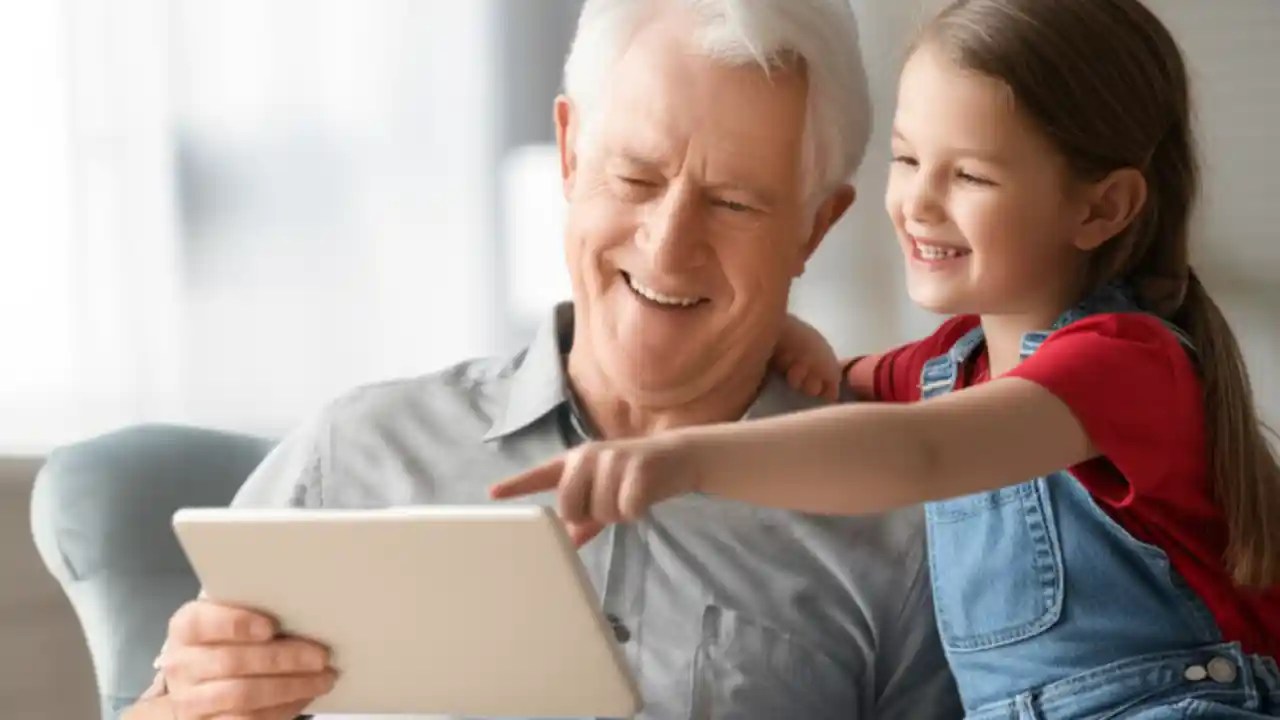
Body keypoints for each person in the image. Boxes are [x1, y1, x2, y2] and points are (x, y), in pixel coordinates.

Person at [123, 1, 963, 719]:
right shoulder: (355, 451)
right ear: (569, 154)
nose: (668, 250)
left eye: (734, 202)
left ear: (814, 228)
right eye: (635, 179)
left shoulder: (896, 531)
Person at [491, 0, 1280, 717]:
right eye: (906, 160)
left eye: (969, 174)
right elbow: (832, 394)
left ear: (1101, 207)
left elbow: (922, 451)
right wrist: (781, 338)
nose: (919, 203)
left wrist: (683, 460)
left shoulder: (1128, 364)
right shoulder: (947, 368)